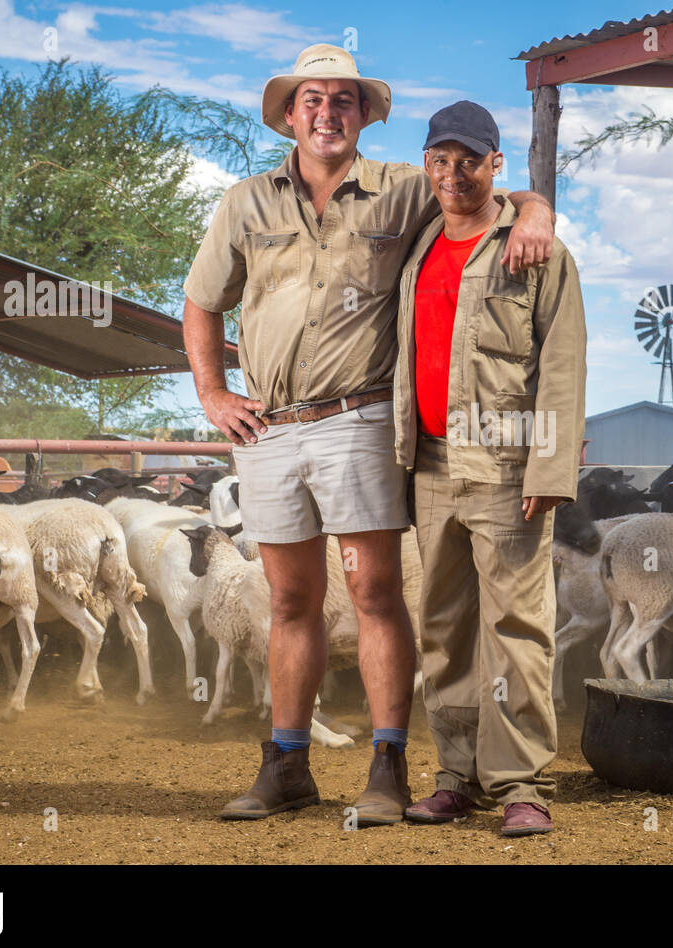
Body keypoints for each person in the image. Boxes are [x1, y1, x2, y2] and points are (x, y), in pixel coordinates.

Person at [181, 46, 555, 826]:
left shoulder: (405, 189)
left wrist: (539, 209)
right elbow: (201, 301)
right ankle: (286, 763)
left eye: (343, 100)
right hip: (271, 428)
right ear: (290, 114)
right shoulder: (244, 203)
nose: (327, 113)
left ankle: (387, 763)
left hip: (358, 418)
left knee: (377, 593)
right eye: (312, 99)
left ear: (363, 115)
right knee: (289, 598)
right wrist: (214, 392)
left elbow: (483, 188)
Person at [391, 101, 586, 836]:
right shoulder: (419, 246)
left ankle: (521, 784)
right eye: (439, 159)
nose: (452, 173)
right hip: (431, 463)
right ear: (426, 164)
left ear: (495, 164)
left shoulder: (537, 251)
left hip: (507, 465)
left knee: (516, 626)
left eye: (468, 160)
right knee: (442, 625)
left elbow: (563, 363)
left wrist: (550, 468)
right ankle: (455, 776)